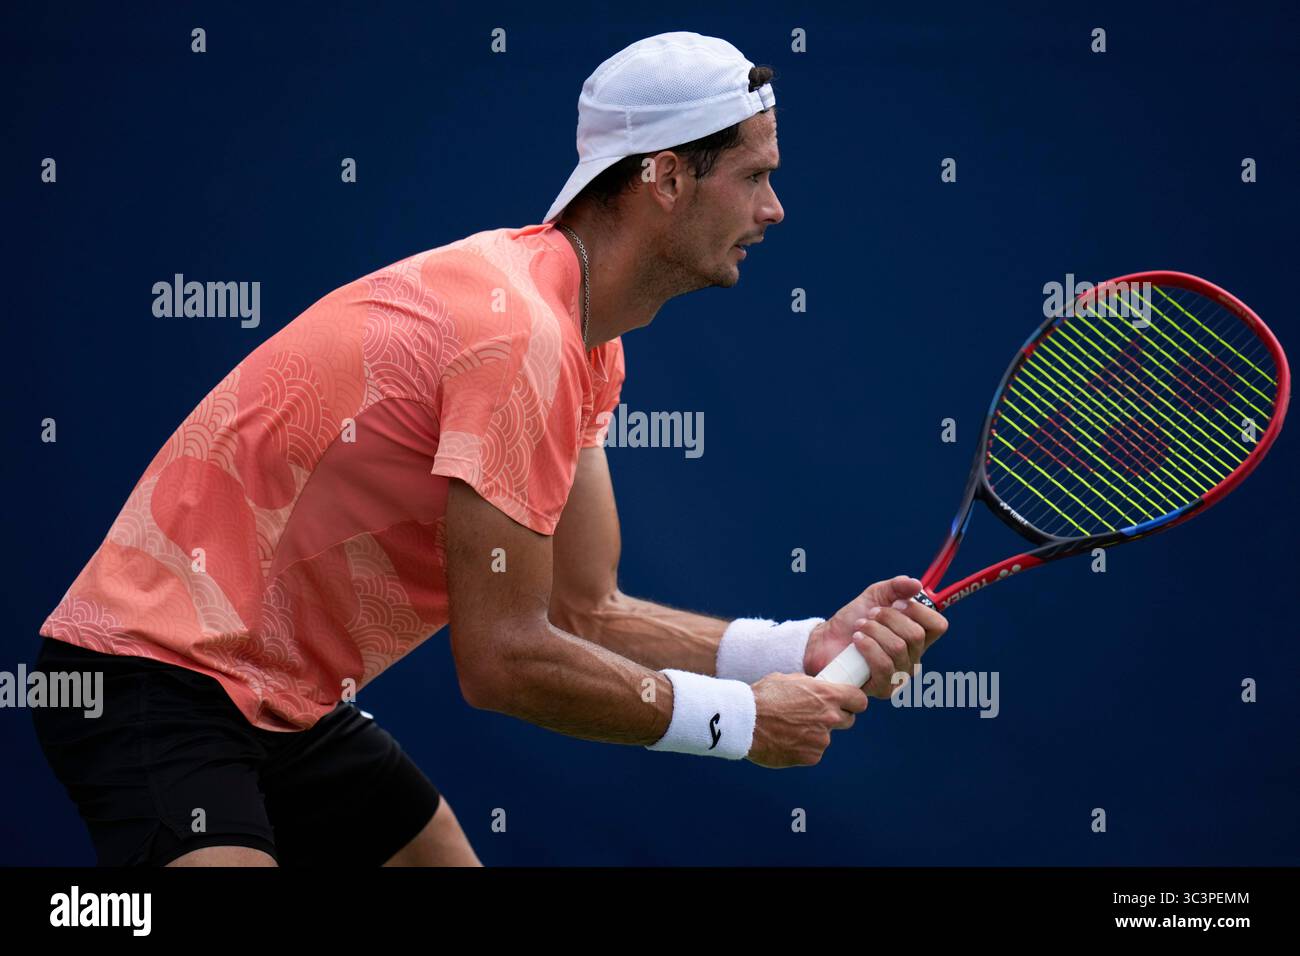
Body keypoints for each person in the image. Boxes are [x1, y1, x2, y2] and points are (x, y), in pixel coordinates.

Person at [31, 31, 947, 868]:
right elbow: (504, 659)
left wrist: (793, 650)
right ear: (665, 177)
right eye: (754, 178)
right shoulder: (518, 340)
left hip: (287, 702)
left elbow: (583, 609)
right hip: (155, 675)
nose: (776, 209)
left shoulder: (584, 341)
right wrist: (741, 721)